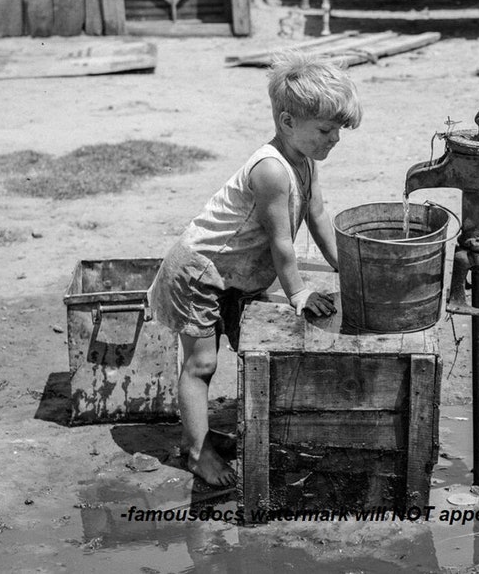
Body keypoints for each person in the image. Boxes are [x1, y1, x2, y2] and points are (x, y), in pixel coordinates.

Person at [149, 52, 362, 487]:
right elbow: (281, 242)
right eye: (325, 129)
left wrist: (346, 267)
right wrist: (299, 293)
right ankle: (195, 452)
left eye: (338, 130)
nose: (334, 139)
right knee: (201, 364)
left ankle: (203, 432)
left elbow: (318, 215)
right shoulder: (271, 171)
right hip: (199, 272)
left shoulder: (305, 160)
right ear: (287, 121)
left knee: (241, 348)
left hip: (232, 274)